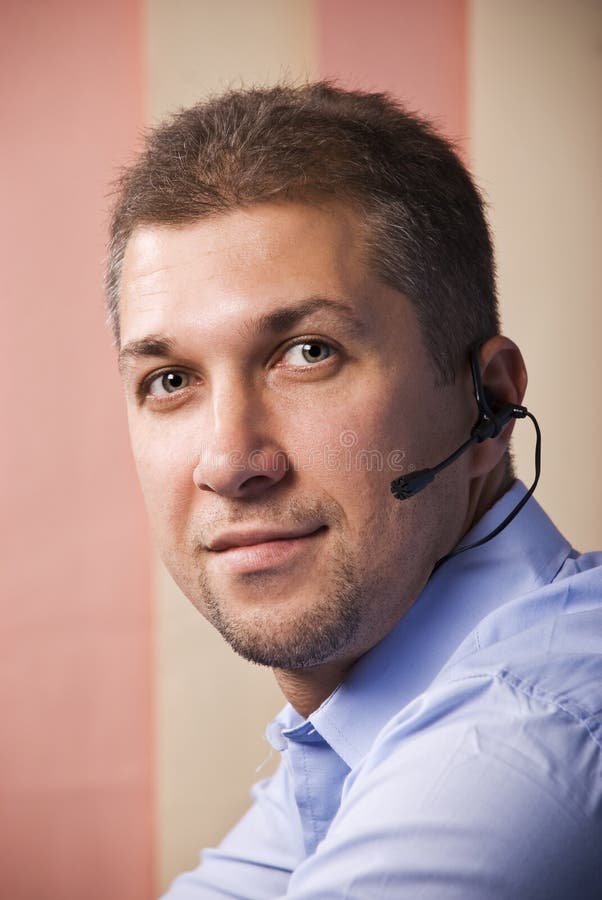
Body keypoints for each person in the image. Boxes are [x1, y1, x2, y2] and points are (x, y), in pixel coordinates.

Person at [106, 82, 602, 898]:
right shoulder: (366, 719)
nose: (229, 462)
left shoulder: (523, 740)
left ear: (492, 401)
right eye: (169, 379)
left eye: (307, 353)